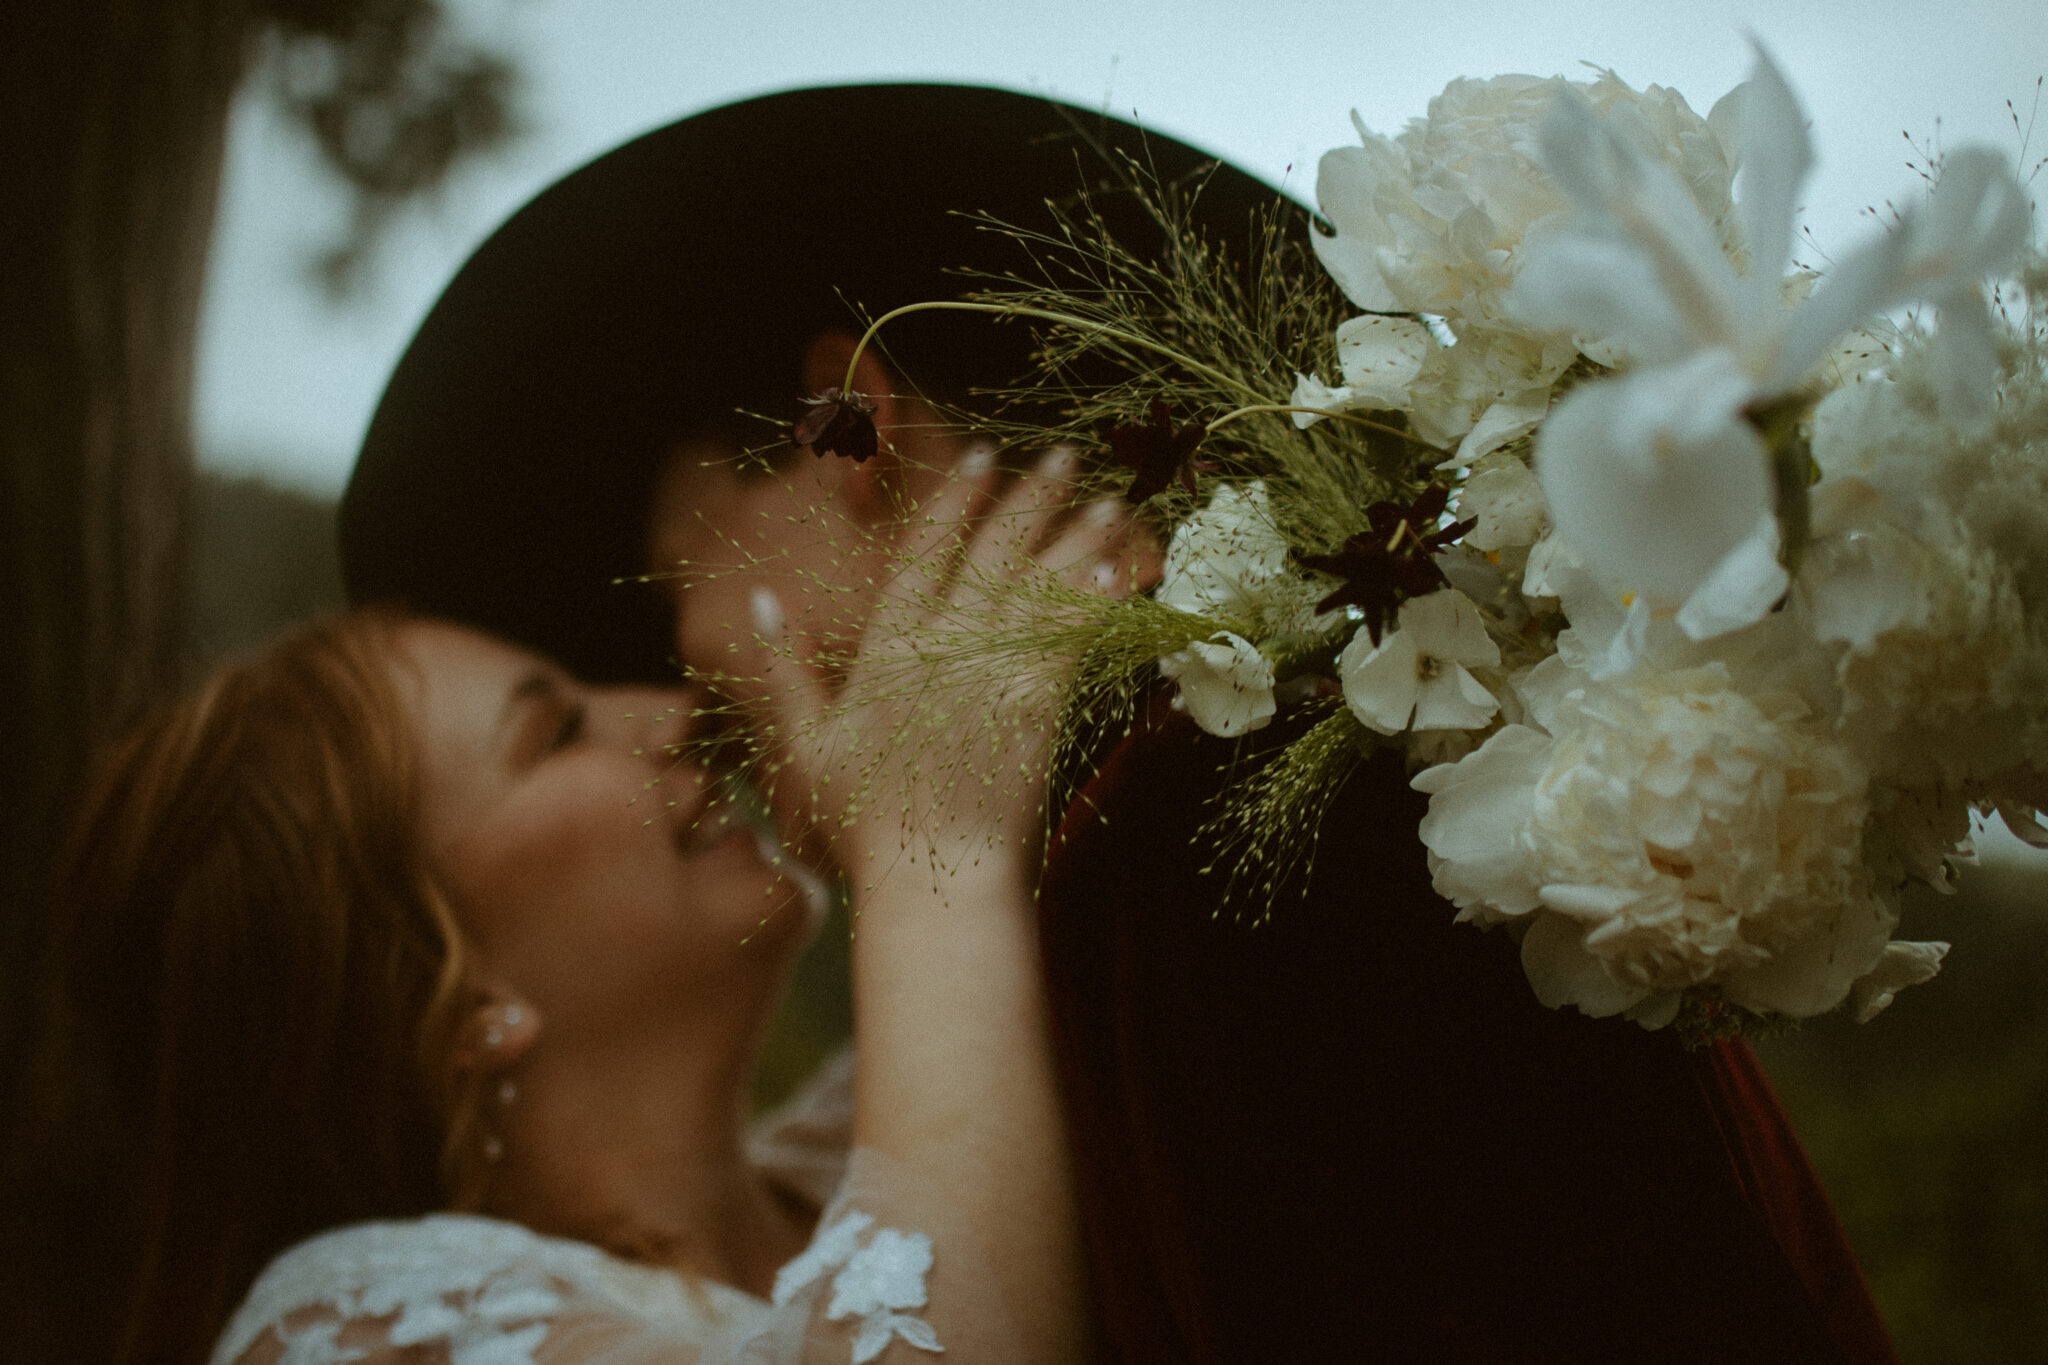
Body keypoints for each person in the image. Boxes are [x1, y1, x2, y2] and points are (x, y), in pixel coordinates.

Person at [335, 82, 1899, 1362]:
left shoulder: (1204, 859)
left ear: (848, 427)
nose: (684, 702)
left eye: (687, 592)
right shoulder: (1164, 855)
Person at [46, 436, 1123, 1364]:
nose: (667, 713)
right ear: (458, 996)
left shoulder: (871, 1140)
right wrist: (929, 849)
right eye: (553, 732)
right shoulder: (367, 1332)